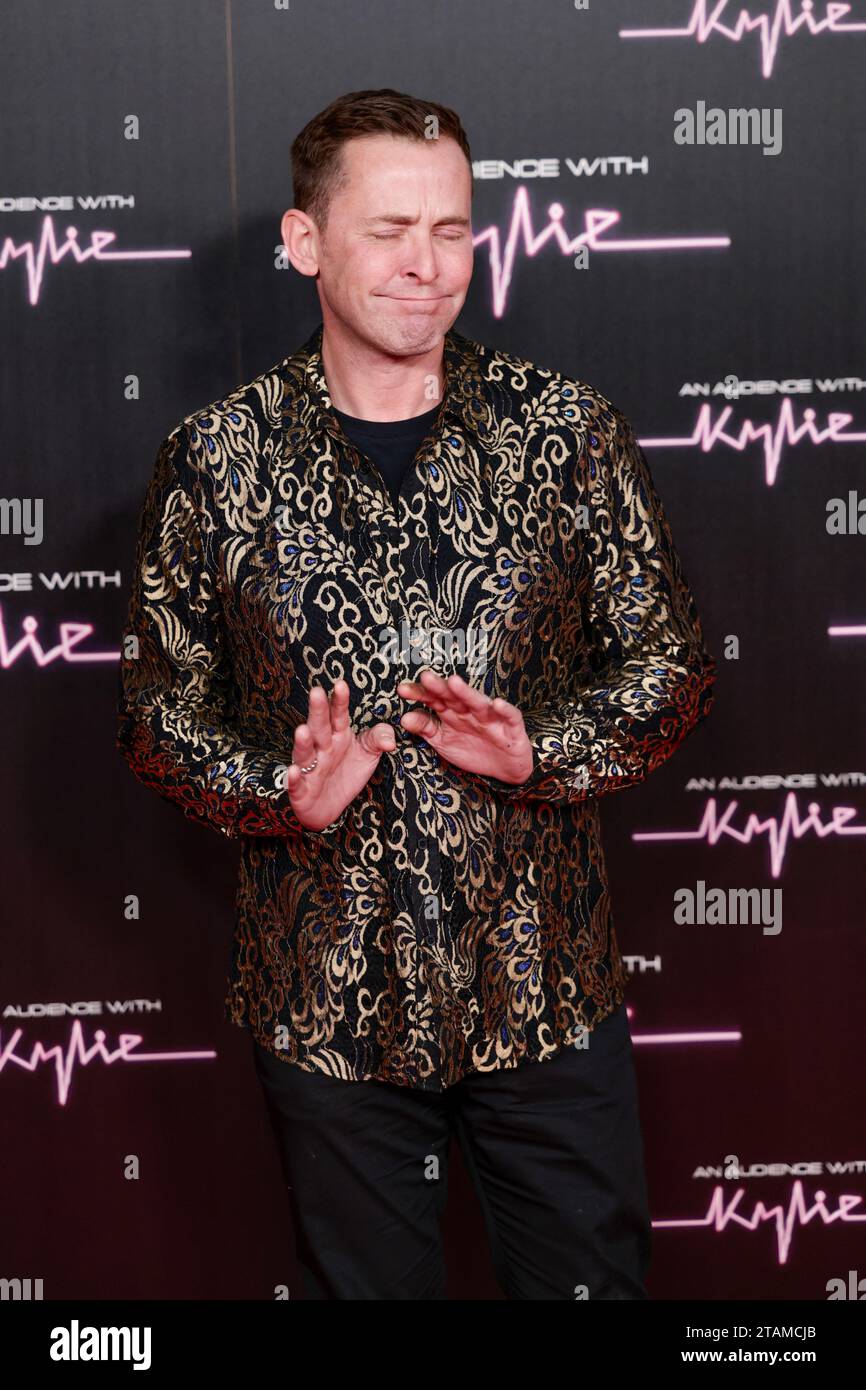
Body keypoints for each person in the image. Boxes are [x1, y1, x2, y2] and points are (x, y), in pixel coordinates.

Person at [117, 87, 716, 1300]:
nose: (425, 265)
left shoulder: (565, 433)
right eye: (389, 230)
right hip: (325, 1002)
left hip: (545, 995)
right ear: (304, 244)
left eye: (450, 230)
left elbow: (670, 667)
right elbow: (157, 714)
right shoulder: (215, 460)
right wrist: (276, 789)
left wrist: (540, 748)